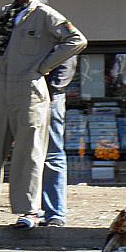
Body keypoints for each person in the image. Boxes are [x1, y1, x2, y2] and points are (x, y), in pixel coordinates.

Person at [0, 0, 87, 229]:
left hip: (29, 90)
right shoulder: (5, 14)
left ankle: (29, 211)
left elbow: (76, 40)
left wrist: (41, 68)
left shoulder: (44, 15)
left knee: (29, 152)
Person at [40, 56, 78, 227]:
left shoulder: (58, 35)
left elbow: (70, 51)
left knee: (52, 154)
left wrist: (53, 88)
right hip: (27, 93)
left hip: (48, 95)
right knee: (32, 155)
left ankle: (54, 212)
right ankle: (33, 211)